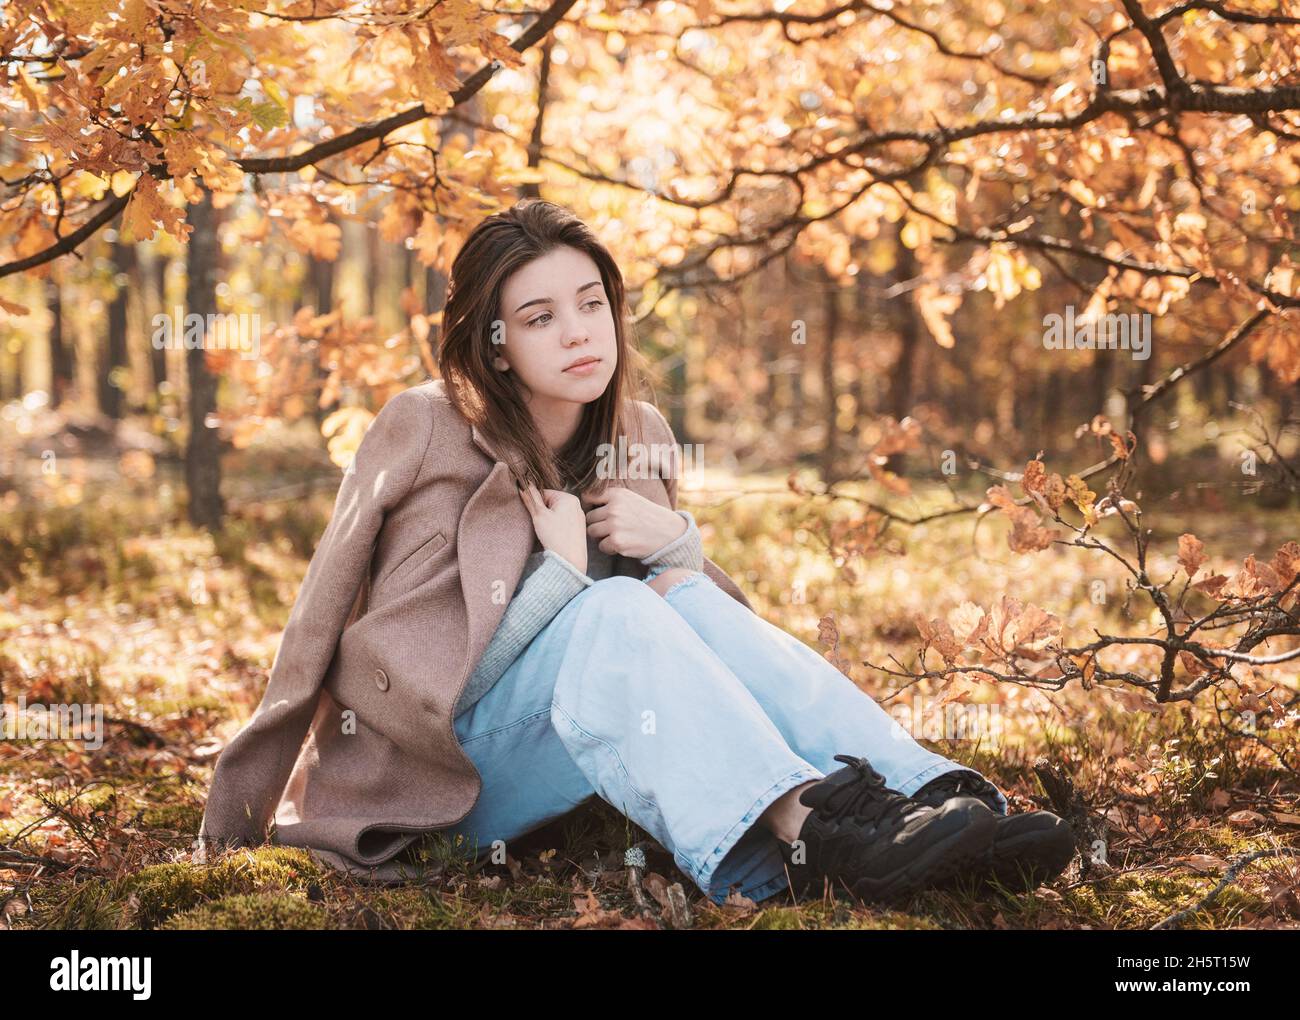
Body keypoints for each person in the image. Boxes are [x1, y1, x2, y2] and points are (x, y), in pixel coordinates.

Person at [197, 198, 1073, 908]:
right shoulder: (425, 427)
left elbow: (706, 646)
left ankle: (933, 801)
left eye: (591, 304)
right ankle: (813, 831)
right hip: (441, 779)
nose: (580, 333)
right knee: (613, 606)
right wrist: (237, 823)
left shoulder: (639, 433)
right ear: (495, 347)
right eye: (540, 318)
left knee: (677, 597)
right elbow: (348, 635)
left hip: (568, 755)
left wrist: (679, 544)